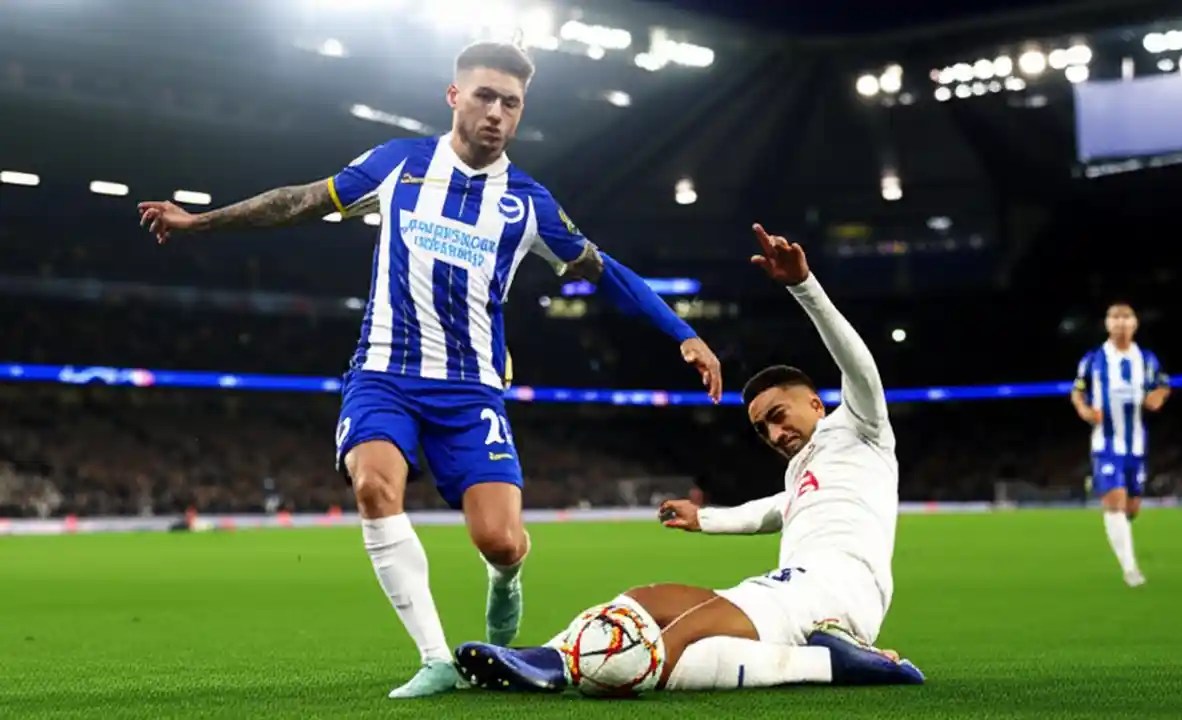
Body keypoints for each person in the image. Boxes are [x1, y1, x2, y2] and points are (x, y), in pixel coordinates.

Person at [136, 41, 724, 698]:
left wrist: (683, 332)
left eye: (511, 103)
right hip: (383, 374)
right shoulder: (398, 165)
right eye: (484, 96)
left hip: (471, 391)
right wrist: (198, 223)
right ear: (454, 96)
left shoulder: (528, 203)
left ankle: (507, 578)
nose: (497, 112)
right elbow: (299, 201)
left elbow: (603, 268)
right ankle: (436, 657)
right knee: (373, 487)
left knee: (500, 542)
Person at [452, 223, 923, 693]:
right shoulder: (806, 472)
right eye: (762, 429)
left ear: (816, 404)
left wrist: (804, 287)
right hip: (797, 588)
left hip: (838, 590)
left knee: (681, 638)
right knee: (646, 602)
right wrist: (705, 519)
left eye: (779, 416)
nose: (775, 434)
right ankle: (544, 657)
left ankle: (572, 671)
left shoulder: (862, 429)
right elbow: (774, 510)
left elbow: (858, 363)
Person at [1070, 302, 1169, 587]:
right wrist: (1086, 411)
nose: (1121, 322)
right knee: (1115, 503)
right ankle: (1131, 570)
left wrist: (1158, 397)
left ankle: (1105, 490)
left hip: (1136, 445)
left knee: (1132, 508)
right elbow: (1077, 392)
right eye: (1115, 317)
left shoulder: (1147, 359)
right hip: (1106, 443)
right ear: (1107, 323)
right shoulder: (1093, 359)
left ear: (1135, 323)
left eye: (1126, 317)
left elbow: (1162, 384)